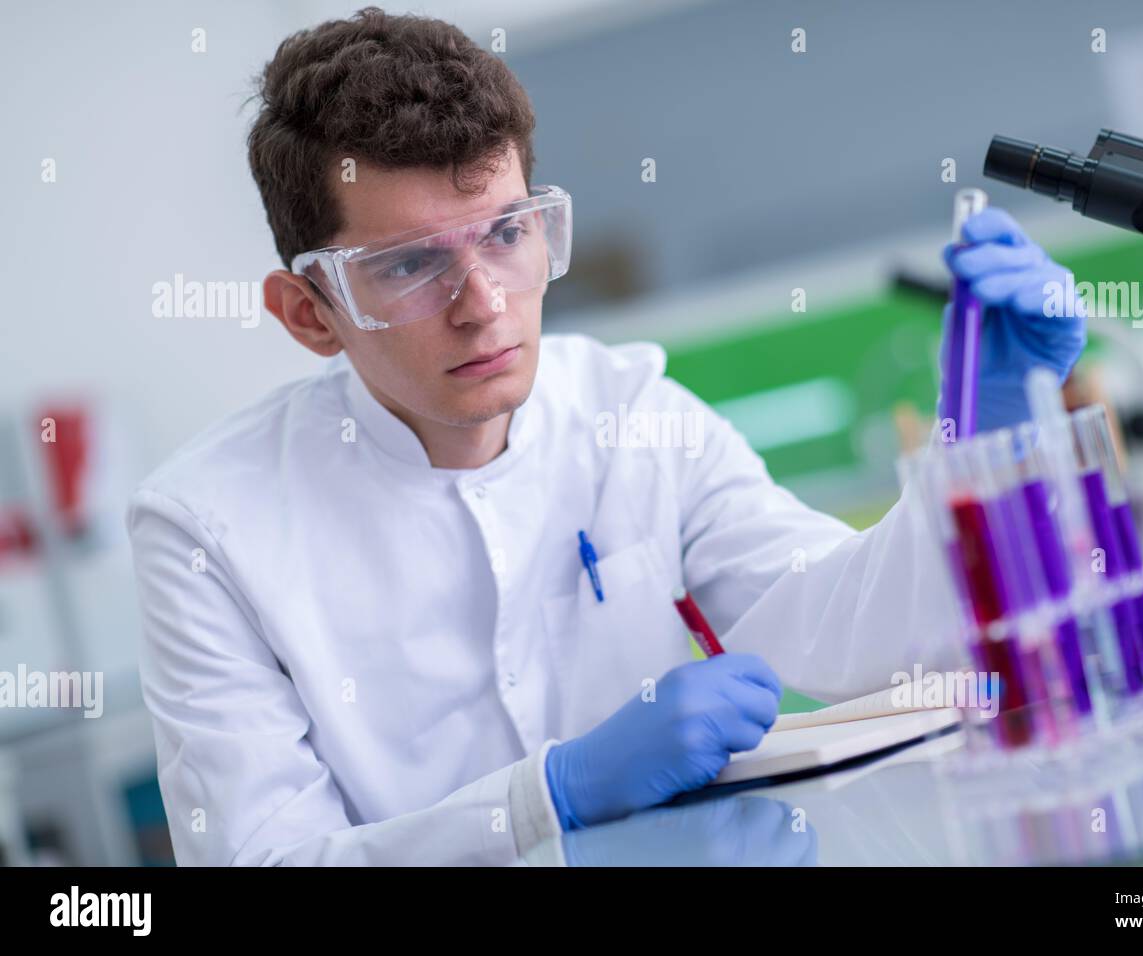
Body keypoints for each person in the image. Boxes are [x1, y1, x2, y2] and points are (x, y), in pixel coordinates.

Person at [127, 8, 1085, 865]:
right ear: (310, 312)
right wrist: (546, 797)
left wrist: (989, 430)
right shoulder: (207, 528)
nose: (483, 306)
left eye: (507, 233)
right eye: (412, 263)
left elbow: (867, 633)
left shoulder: (631, 412)